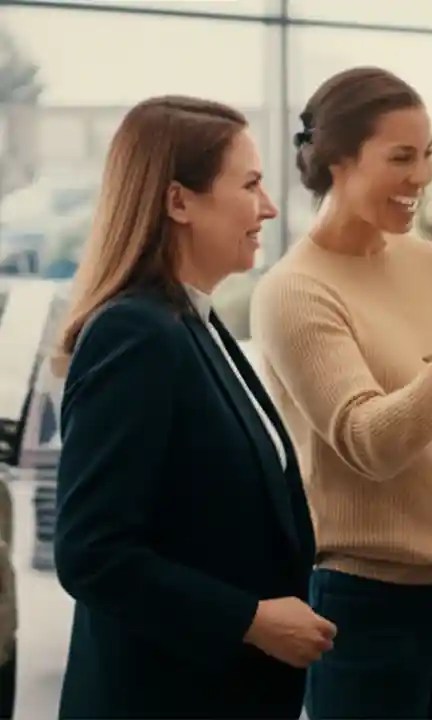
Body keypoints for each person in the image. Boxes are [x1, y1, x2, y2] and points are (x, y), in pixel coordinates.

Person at [249, 66, 432, 719]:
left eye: (429, 155)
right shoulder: (294, 291)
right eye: (402, 157)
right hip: (366, 604)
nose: (424, 176)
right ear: (338, 161)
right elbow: (370, 442)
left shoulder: (428, 260)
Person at [52, 95, 333, 719]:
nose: (269, 207)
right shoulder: (135, 333)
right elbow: (93, 553)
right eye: (251, 184)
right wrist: (250, 620)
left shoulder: (192, 322)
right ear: (179, 201)